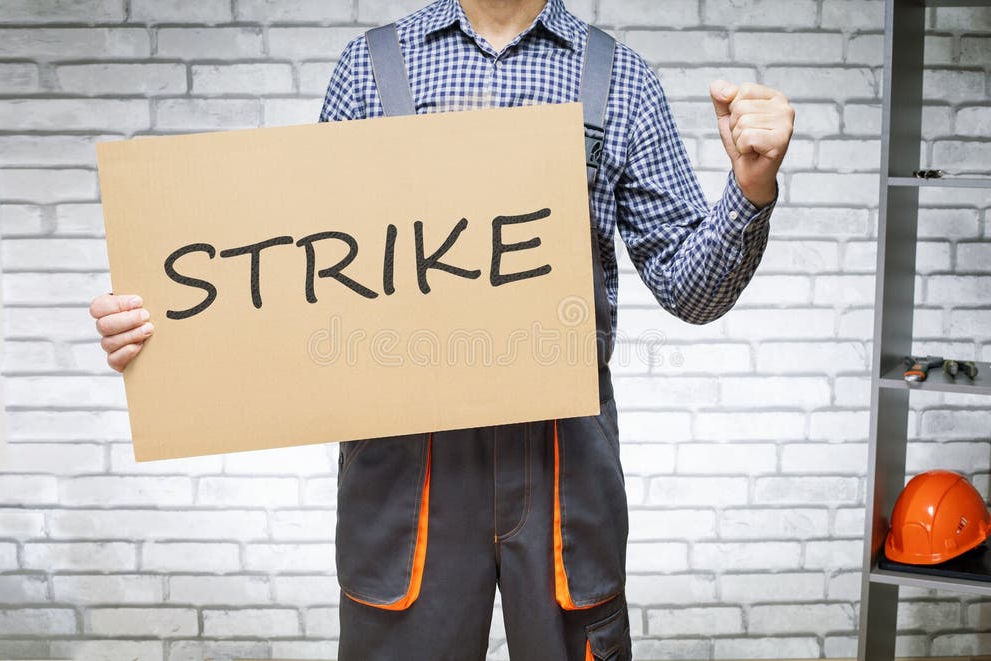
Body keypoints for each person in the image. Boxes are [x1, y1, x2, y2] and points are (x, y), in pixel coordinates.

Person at [90, 1, 794, 659]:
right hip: (405, 462)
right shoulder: (369, 68)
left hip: (563, 464)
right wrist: (167, 334)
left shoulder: (621, 79)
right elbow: (297, 278)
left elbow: (689, 289)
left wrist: (750, 189)